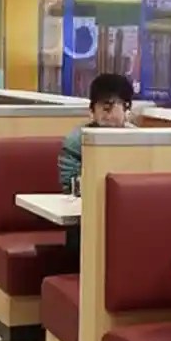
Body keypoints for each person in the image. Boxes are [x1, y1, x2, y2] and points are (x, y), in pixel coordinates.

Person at [58, 73, 135, 257]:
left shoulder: (138, 140)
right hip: (86, 223)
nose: (108, 114)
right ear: (92, 110)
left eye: (114, 106)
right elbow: (71, 185)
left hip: (129, 219)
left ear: (127, 109)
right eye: (103, 107)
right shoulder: (77, 141)